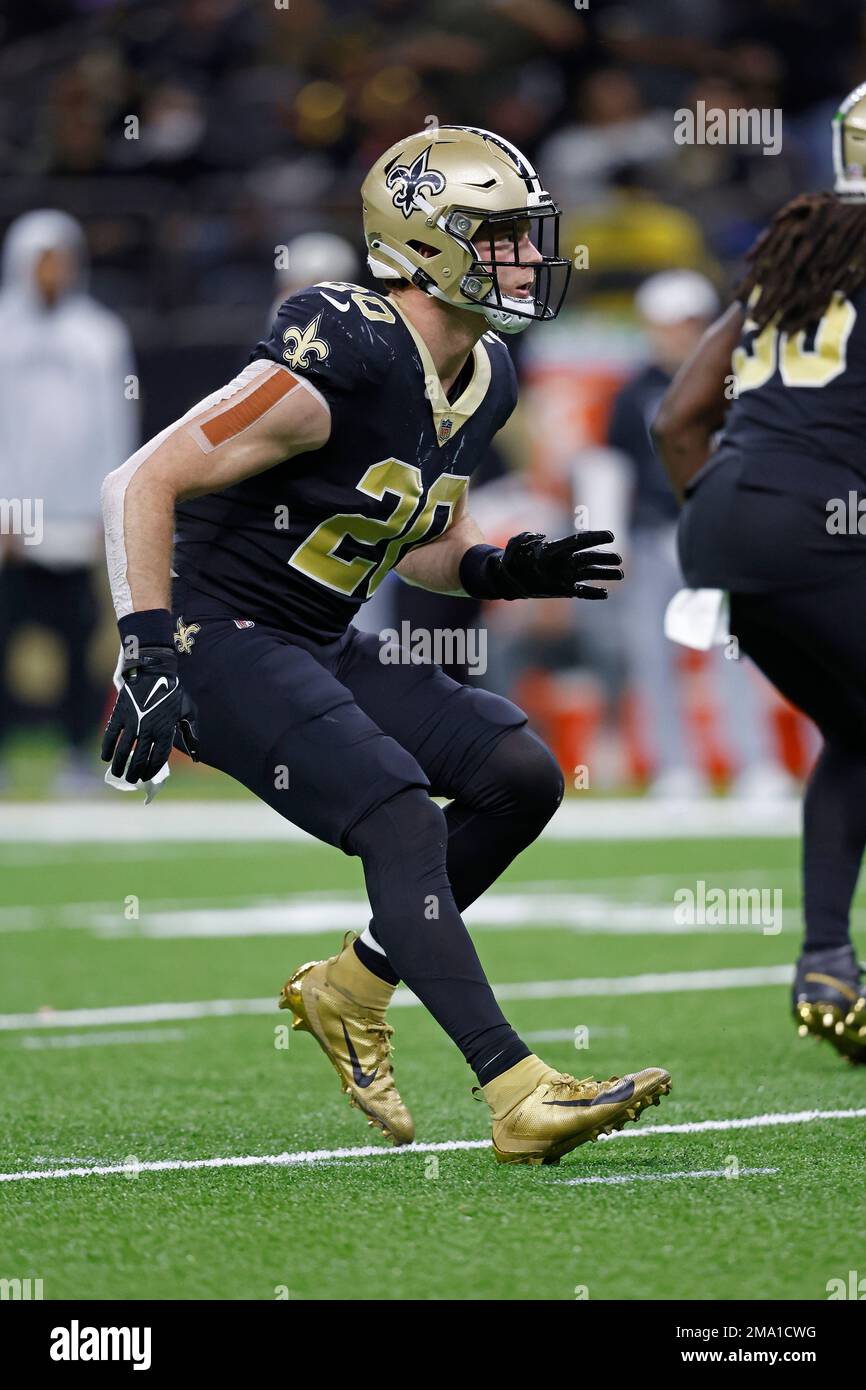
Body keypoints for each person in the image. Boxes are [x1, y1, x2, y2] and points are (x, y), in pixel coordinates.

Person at [100, 125, 670, 1165]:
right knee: (396, 809)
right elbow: (141, 479)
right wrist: (145, 651)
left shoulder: (484, 372)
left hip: (315, 634)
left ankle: (352, 983)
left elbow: (419, 537)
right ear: (427, 241)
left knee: (516, 772)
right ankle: (514, 1089)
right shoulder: (344, 344)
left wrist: (499, 567)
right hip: (213, 634)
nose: (525, 259)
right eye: (497, 238)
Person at [653, 84, 866, 1064]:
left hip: (729, 520)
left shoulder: (793, 256)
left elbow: (674, 419)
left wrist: (728, 522)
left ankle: (826, 955)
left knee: (855, 735)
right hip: (814, 523)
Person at [609, 269, 793, 798]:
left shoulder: (737, 381)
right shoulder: (634, 392)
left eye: (688, 324)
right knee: (653, 657)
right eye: (669, 325)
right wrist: (610, 540)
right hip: (652, 534)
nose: (678, 335)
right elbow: (612, 467)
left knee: (733, 654)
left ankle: (755, 764)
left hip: (718, 534)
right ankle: (673, 768)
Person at [0, 209, 137, 792]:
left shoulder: (101, 336)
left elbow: (117, 425)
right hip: (13, 517)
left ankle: (77, 756)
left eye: (62, 259)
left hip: (76, 517)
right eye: (43, 260)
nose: (54, 272)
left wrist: (109, 510)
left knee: (81, 645)